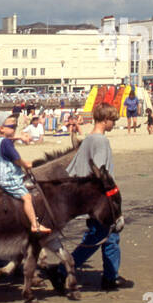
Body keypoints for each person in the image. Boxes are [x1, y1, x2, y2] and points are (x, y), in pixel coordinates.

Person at [65, 103, 130, 291]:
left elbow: (75, 168)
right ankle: (64, 269)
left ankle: (111, 276)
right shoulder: (101, 141)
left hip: (90, 199)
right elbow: (100, 171)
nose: (113, 124)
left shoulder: (88, 139)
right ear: (105, 120)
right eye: (113, 121)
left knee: (108, 237)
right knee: (98, 238)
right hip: (100, 200)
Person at [0, 115, 51, 234]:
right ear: (2, 128)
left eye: (16, 126)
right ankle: (35, 224)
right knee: (27, 197)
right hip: (7, 177)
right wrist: (26, 165)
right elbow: (17, 159)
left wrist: (18, 137)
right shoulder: (6, 143)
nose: (15, 129)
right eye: (12, 127)